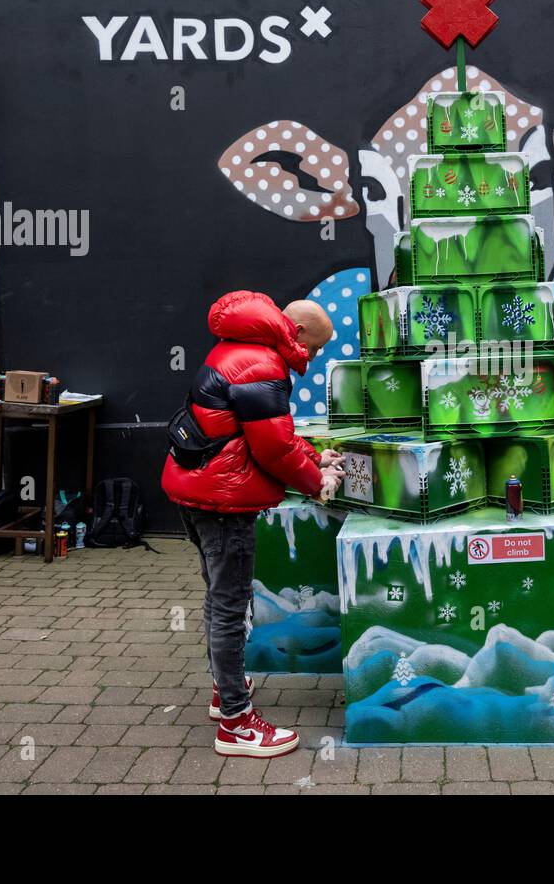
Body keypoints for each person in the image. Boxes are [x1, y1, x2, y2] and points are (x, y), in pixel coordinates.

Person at [162, 292, 345, 758]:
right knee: (229, 605)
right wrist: (316, 481)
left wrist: (311, 455)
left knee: (218, 598)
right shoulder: (263, 365)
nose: (314, 357)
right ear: (297, 333)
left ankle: (227, 693)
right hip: (225, 501)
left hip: (197, 488)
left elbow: (265, 434)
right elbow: (272, 451)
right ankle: (237, 725)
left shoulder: (237, 349)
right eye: (316, 348)